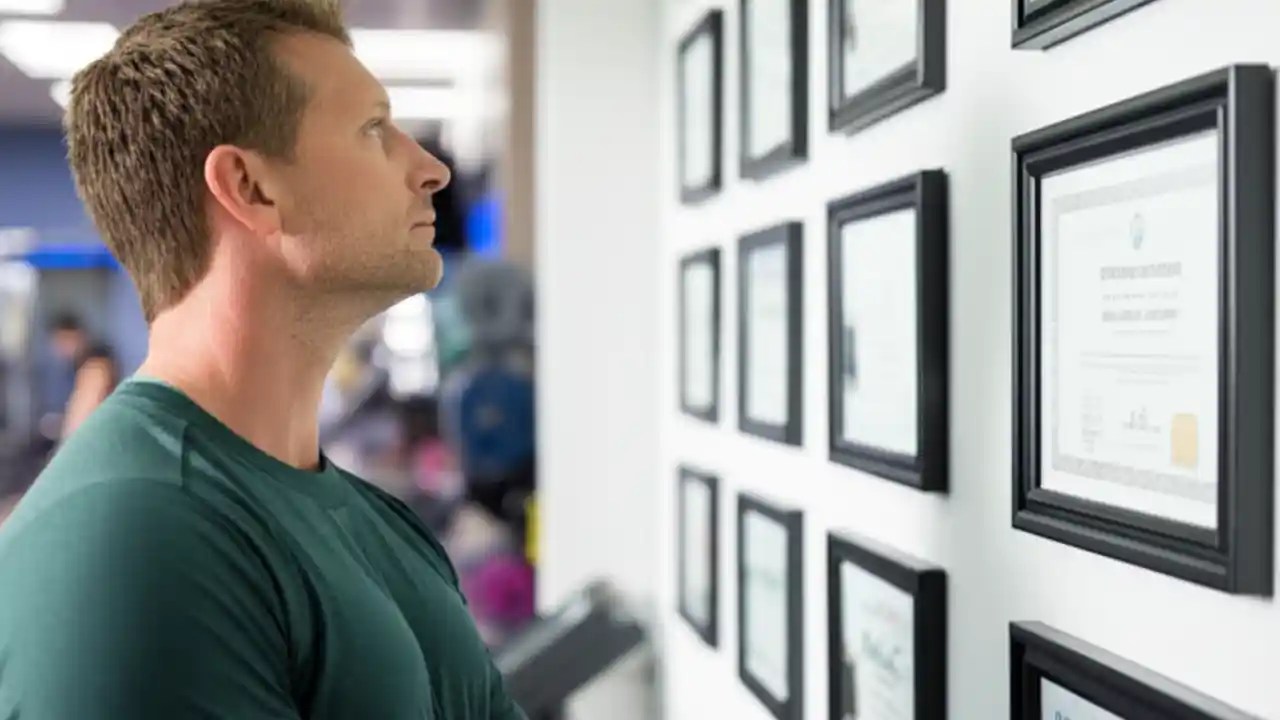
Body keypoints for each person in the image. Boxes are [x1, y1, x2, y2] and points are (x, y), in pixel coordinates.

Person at [0, 2, 525, 718]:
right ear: (251, 189)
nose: (430, 168)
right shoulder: (137, 534)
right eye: (374, 130)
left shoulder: (371, 520)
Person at [45, 312, 119, 438]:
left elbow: (80, 420)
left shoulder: (96, 366)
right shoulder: (73, 368)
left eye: (62, 341)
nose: (60, 350)